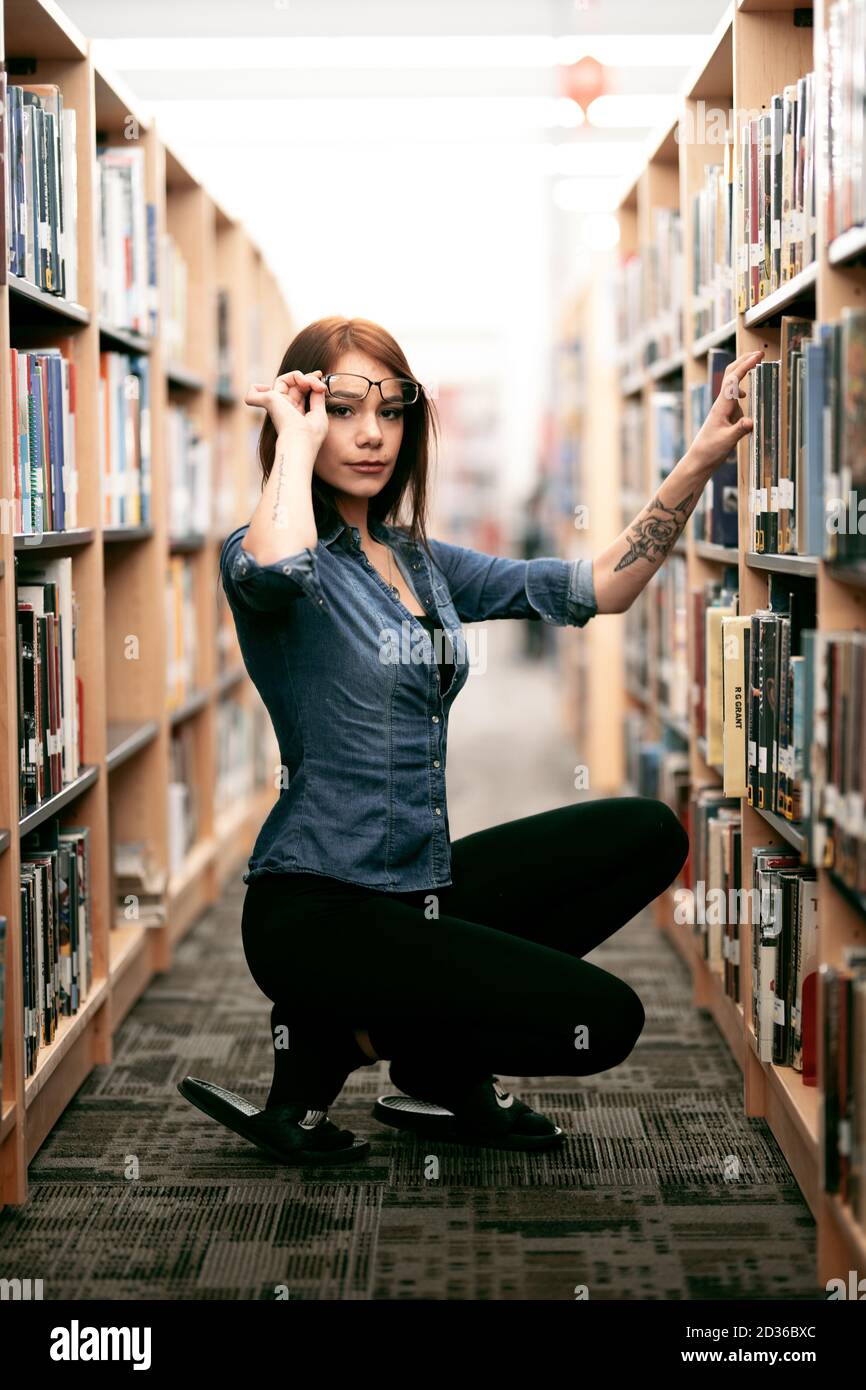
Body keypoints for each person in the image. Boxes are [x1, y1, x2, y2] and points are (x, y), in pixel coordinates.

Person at [178, 316, 763, 1166]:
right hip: (316, 908)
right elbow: (277, 567)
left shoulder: (417, 562)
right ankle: (353, 1040)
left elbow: (597, 588)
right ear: (302, 417)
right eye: (341, 410)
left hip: (419, 885)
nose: (372, 433)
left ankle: (418, 1057)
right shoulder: (263, 552)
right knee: (603, 1022)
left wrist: (704, 456)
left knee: (648, 834)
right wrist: (292, 445)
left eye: (391, 409)